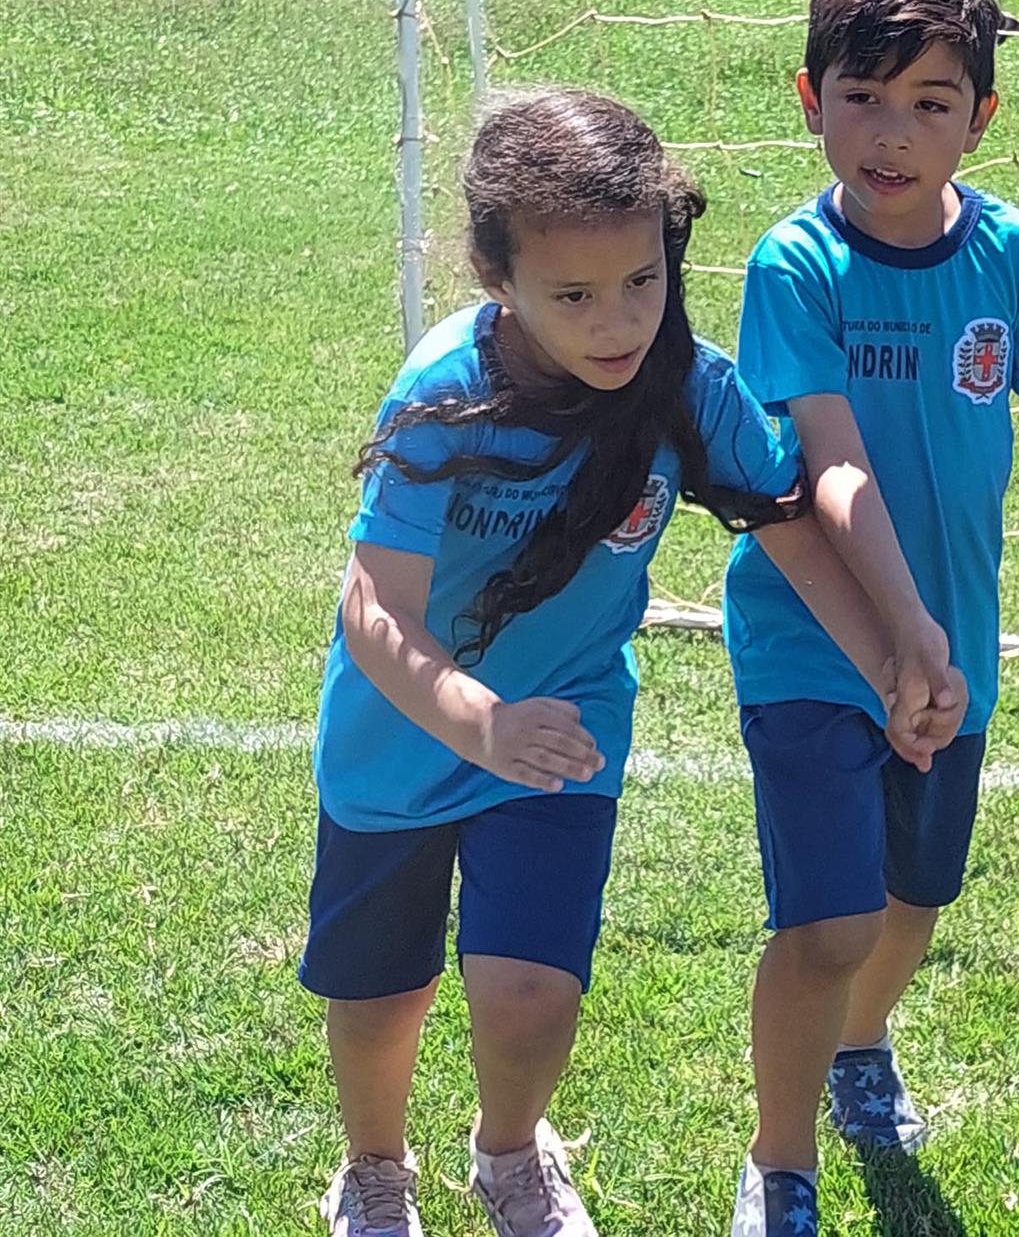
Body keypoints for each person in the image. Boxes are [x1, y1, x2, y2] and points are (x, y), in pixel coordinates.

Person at [305, 88, 938, 1237]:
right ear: (499, 279)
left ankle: (509, 1153)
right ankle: (375, 1165)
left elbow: (788, 526)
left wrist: (883, 665)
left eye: (641, 281)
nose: (617, 322)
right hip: (401, 731)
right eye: (574, 296)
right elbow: (372, 613)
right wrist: (476, 719)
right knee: (380, 990)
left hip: (564, 724)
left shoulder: (690, 386)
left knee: (530, 992)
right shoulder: (446, 392)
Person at [723, 0, 1019, 1235]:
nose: (892, 134)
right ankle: (779, 1162)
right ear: (809, 98)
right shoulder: (795, 268)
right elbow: (832, 470)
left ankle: (861, 1047)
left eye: (931, 103)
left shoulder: (1011, 256)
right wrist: (901, 637)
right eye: (863, 96)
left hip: (951, 652)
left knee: (916, 899)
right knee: (832, 916)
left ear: (984, 119)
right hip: (816, 641)